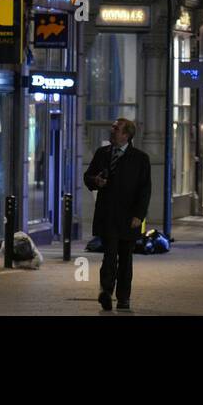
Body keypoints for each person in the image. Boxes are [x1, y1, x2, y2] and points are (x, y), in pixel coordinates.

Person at [83, 118, 151, 311]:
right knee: (109, 256)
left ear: (126, 135)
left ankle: (123, 298)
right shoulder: (102, 153)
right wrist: (95, 181)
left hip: (129, 217)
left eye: (116, 128)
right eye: (113, 127)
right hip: (107, 215)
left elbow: (145, 190)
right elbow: (88, 177)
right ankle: (105, 291)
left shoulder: (140, 159)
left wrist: (139, 215)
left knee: (126, 259)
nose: (112, 131)